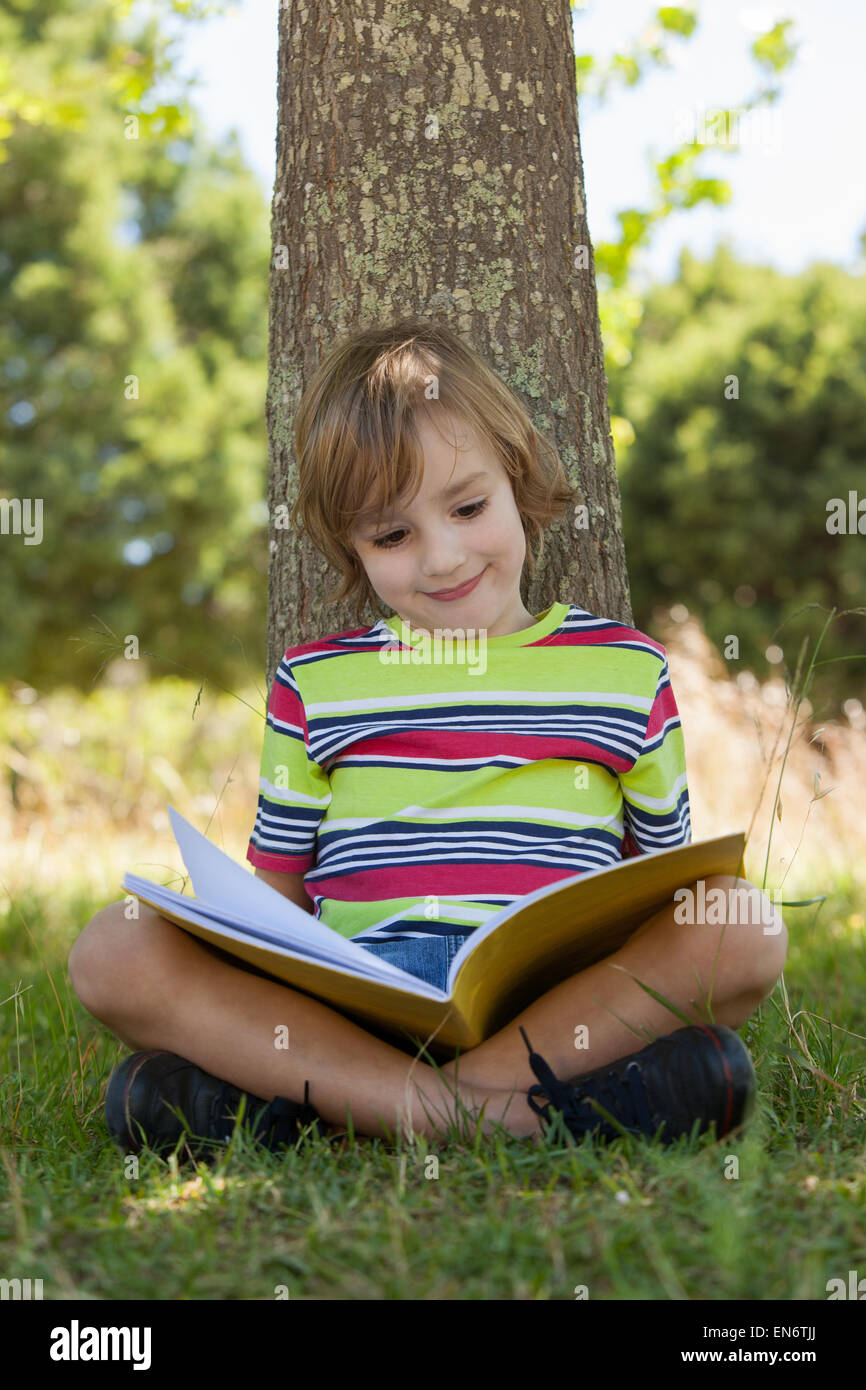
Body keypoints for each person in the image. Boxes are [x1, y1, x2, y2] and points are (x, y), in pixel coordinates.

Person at [67, 316, 788, 1161]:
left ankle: (340, 1109)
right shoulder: (315, 681)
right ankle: (518, 1113)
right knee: (114, 945)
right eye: (392, 535)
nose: (442, 558)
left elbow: (662, 885)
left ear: (517, 477)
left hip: (552, 1005)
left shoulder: (626, 671)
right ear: (350, 546)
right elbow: (274, 904)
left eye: (468, 507)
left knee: (737, 919)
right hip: (358, 1002)